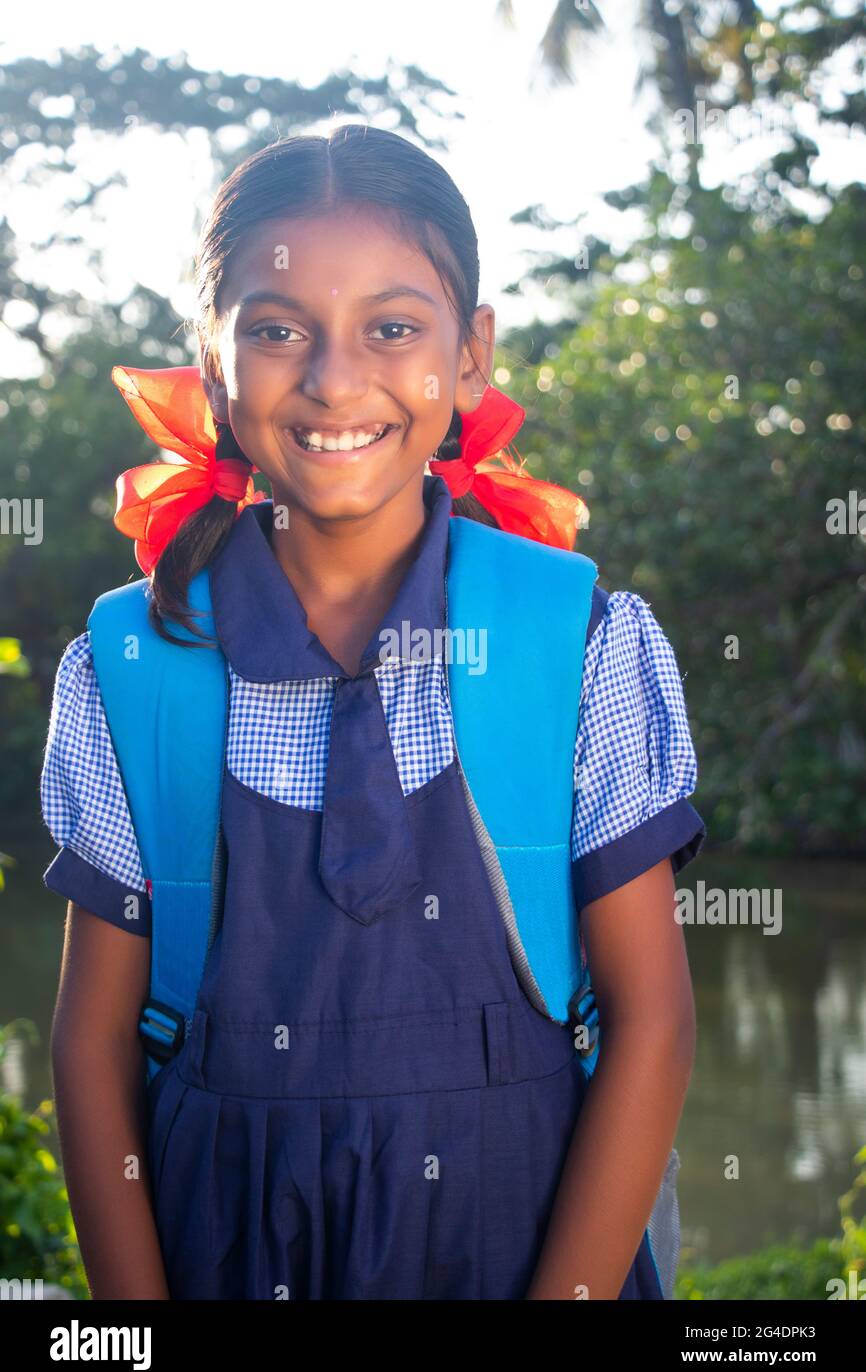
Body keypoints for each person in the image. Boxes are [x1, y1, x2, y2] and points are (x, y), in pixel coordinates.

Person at [41, 124, 705, 1301]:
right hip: (220, 1251)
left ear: (468, 359)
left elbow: (650, 1020)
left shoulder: (575, 643)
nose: (334, 379)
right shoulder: (130, 666)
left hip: (523, 1249)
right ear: (214, 366)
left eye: (391, 328)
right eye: (277, 329)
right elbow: (92, 1052)